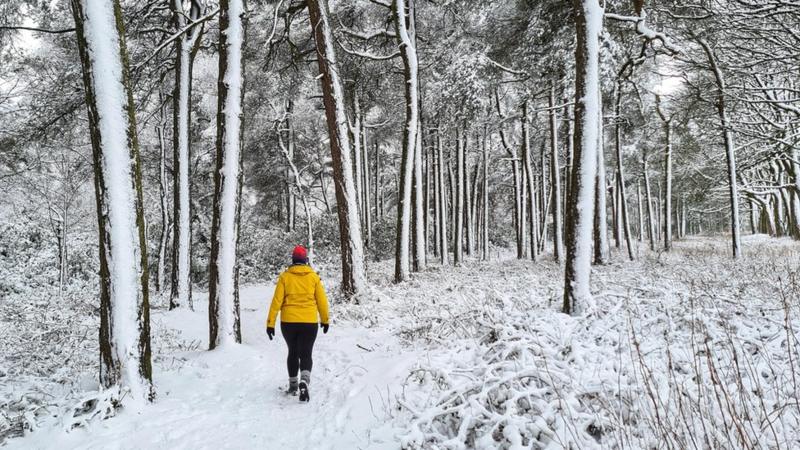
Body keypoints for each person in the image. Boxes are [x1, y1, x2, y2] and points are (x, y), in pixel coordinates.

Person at [266, 245, 329, 402]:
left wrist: (270, 323)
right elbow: (322, 301)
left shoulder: (285, 277)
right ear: (305, 260)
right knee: (306, 353)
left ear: (293, 260)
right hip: (309, 322)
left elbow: (276, 302)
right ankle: (304, 381)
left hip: (288, 322)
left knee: (292, 352)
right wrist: (325, 319)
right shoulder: (313, 277)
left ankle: (293, 385)